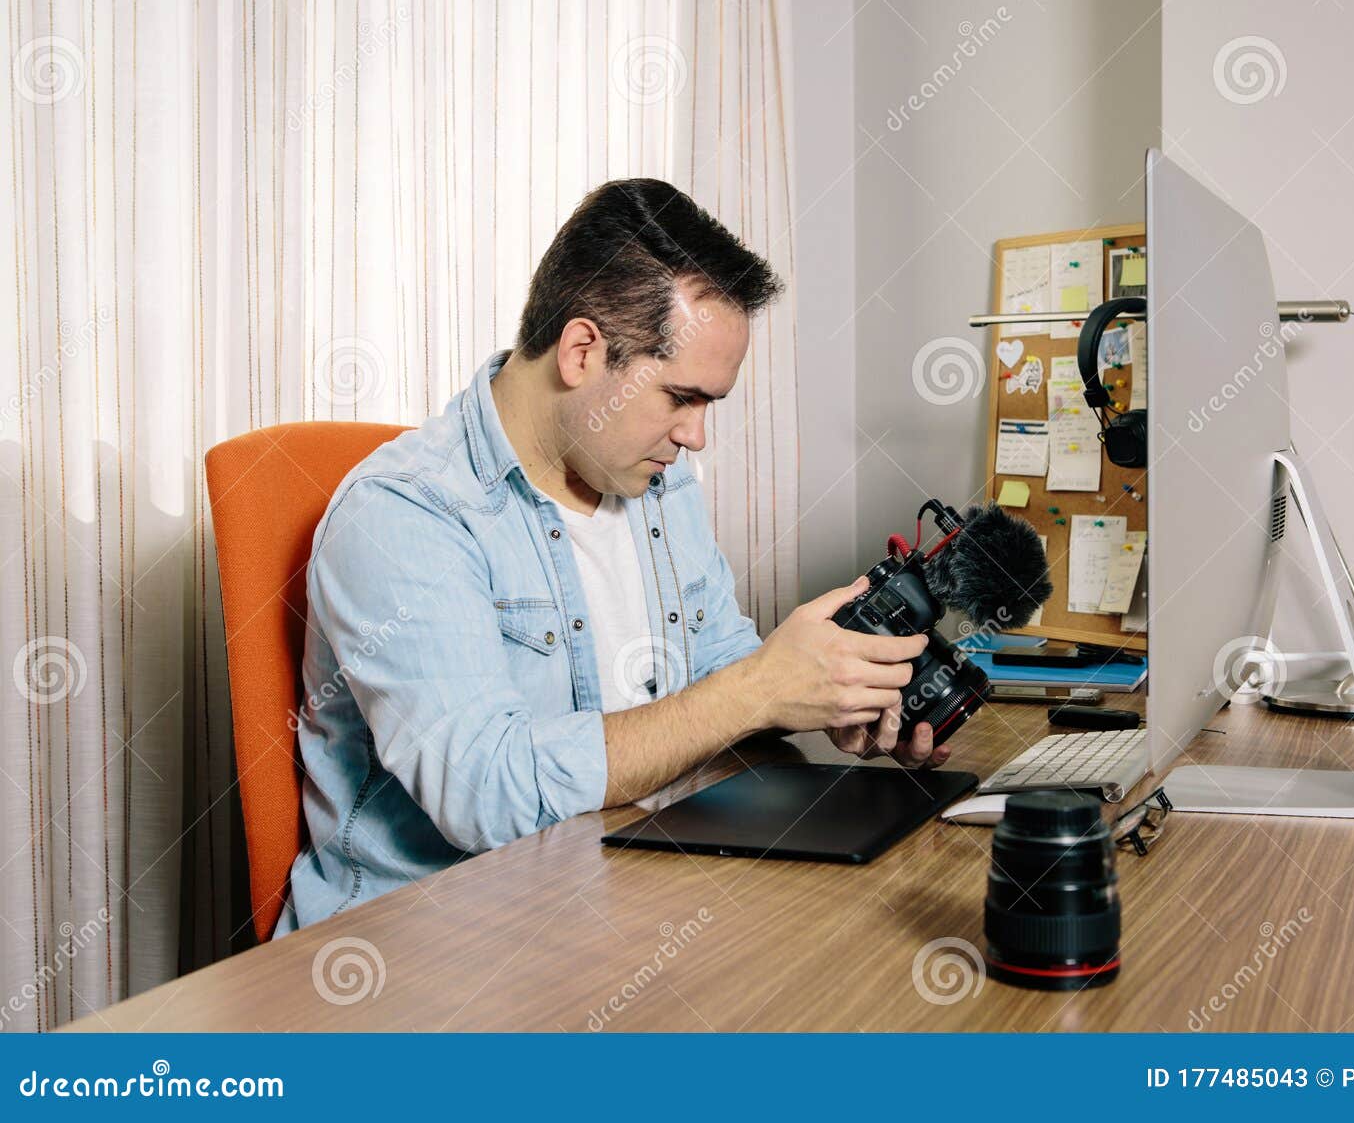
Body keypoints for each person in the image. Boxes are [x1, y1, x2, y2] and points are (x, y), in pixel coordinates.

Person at [276, 178, 950, 935]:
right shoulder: (403, 513)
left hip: (616, 901)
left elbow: (721, 676)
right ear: (582, 350)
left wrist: (823, 701)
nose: (695, 435)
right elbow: (486, 794)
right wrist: (758, 690)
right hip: (434, 948)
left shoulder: (658, 485)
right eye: (681, 397)